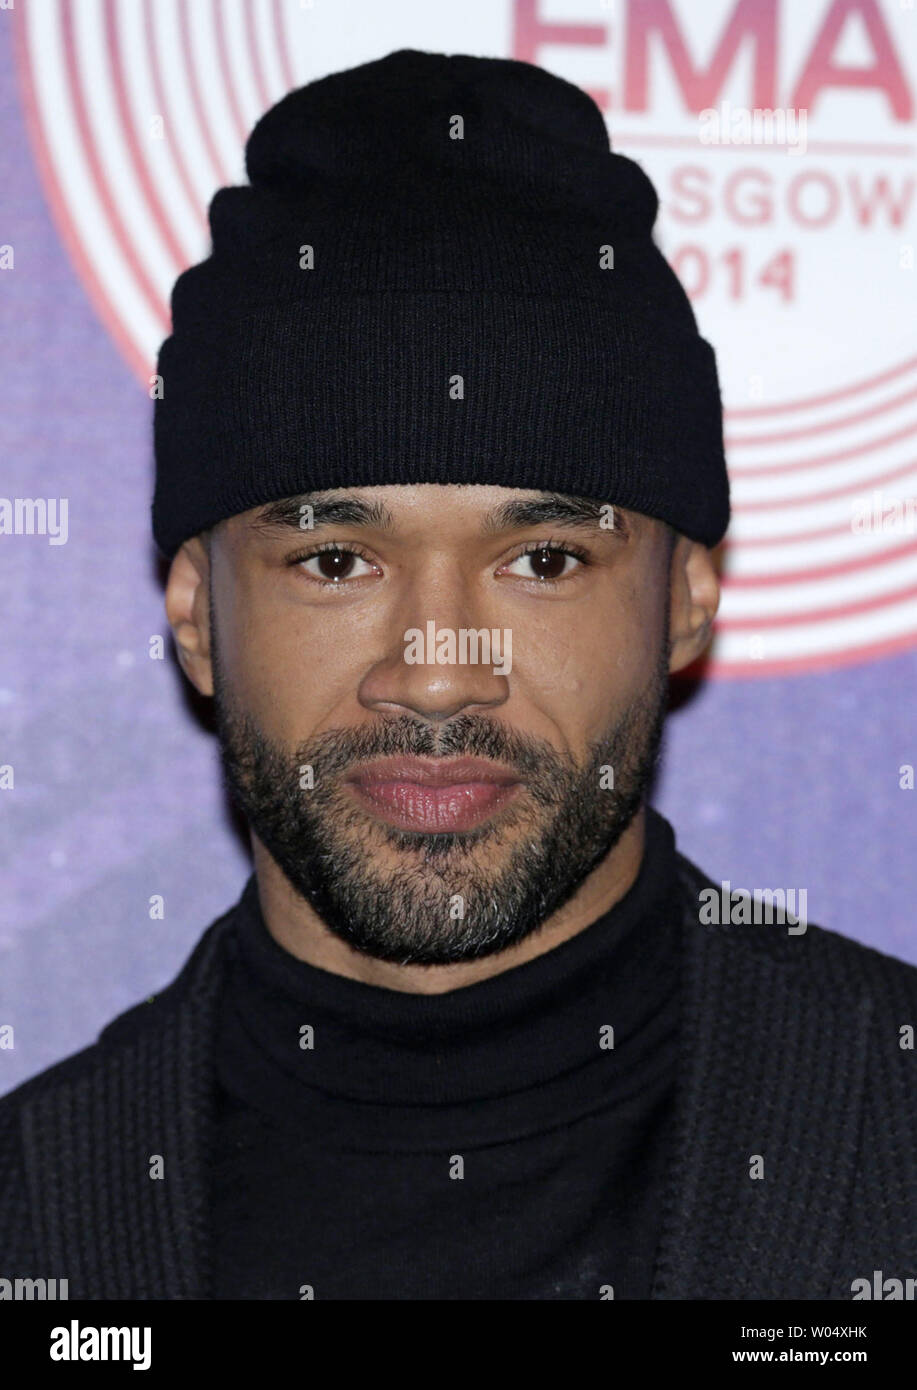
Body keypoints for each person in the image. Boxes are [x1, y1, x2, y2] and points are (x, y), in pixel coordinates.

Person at [1, 49, 915, 1302]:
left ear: (686, 599)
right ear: (197, 620)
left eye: (541, 558)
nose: (436, 677)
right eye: (335, 560)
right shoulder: (31, 1227)